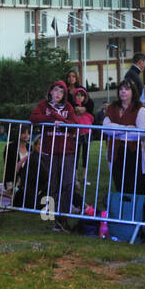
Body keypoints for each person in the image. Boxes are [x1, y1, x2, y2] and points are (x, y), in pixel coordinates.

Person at [29, 79, 83, 229]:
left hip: (67, 151)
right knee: (53, 184)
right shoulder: (43, 105)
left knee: (67, 184)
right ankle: (53, 217)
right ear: (50, 92)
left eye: (61, 91)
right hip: (50, 151)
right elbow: (33, 118)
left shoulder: (68, 107)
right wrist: (52, 118)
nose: (58, 93)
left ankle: (63, 217)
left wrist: (61, 120)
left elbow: (75, 126)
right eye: (56, 90)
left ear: (64, 94)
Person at [102, 77, 145, 237]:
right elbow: (106, 128)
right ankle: (123, 224)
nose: (123, 91)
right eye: (121, 89)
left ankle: (140, 226)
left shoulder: (140, 109)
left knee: (136, 190)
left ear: (133, 92)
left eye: (127, 89)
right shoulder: (112, 108)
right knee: (121, 188)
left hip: (135, 155)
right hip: (117, 154)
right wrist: (126, 128)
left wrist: (119, 132)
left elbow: (141, 133)